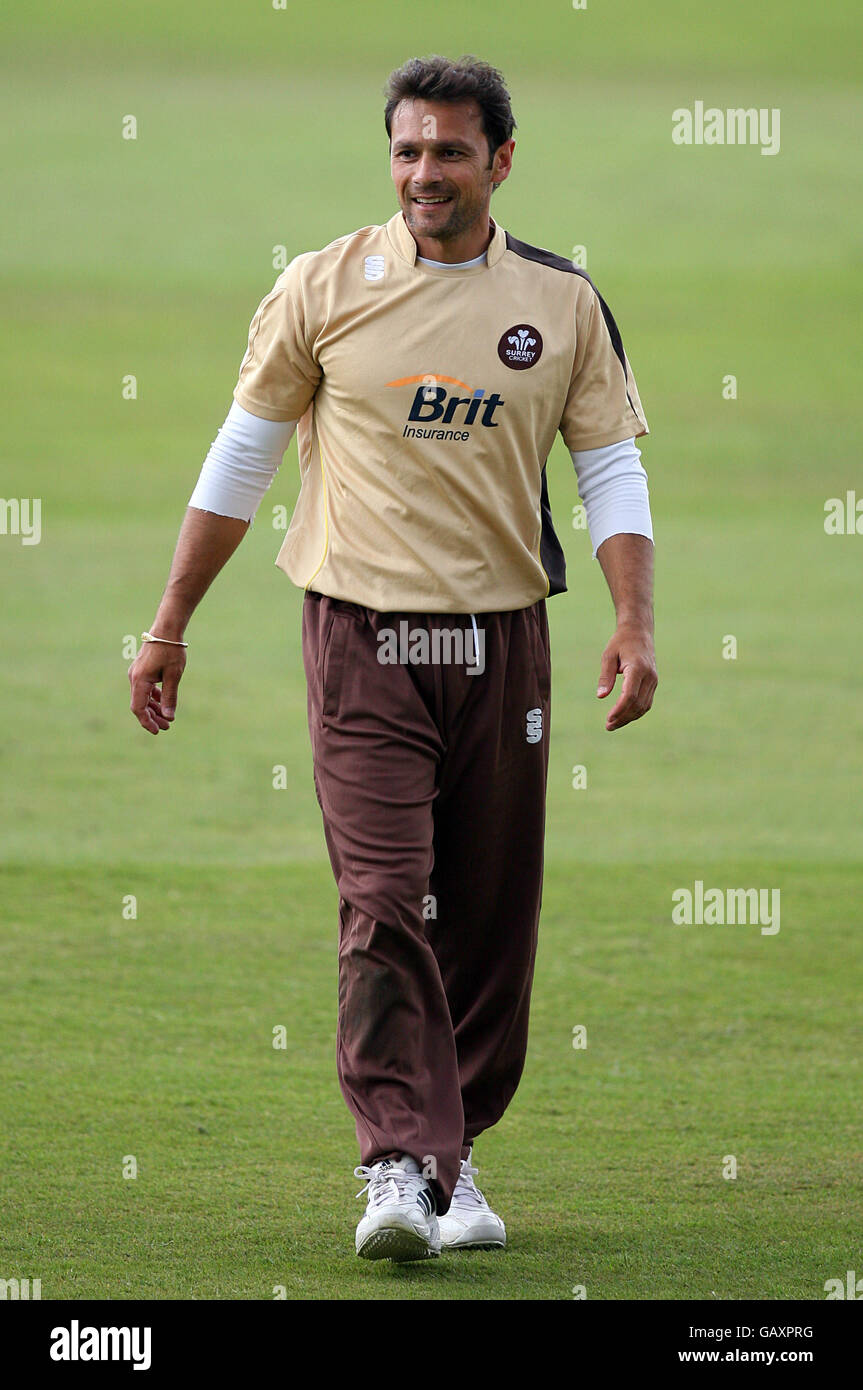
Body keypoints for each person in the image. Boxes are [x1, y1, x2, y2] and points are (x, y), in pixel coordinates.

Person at [128, 54, 658, 1263]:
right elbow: (242, 458)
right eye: (407, 151)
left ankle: (451, 1157)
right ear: (390, 159)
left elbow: (609, 470)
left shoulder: (560, 302)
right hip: (363, 638)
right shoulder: (321, 286)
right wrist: (168, 624)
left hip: (501, 642)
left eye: (450, 151)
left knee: (485, 912)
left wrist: (631, 622)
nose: (426, 173)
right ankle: (391, 1166)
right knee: (381, 900)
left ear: (500, 161)